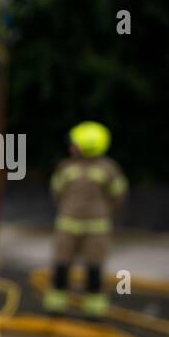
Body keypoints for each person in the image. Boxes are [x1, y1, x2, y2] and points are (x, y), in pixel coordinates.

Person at [44, 121, 127, 317]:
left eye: (75, 143)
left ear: (88, 145)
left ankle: (94, 309)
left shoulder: (108, 169)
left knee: (94, 268)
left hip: (96, 229)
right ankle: (57, 304)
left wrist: (104, 213)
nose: (71, 146)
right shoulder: (66, 167)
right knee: (61, 265)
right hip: (67, 226)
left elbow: (118, 195)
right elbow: (56, 191)